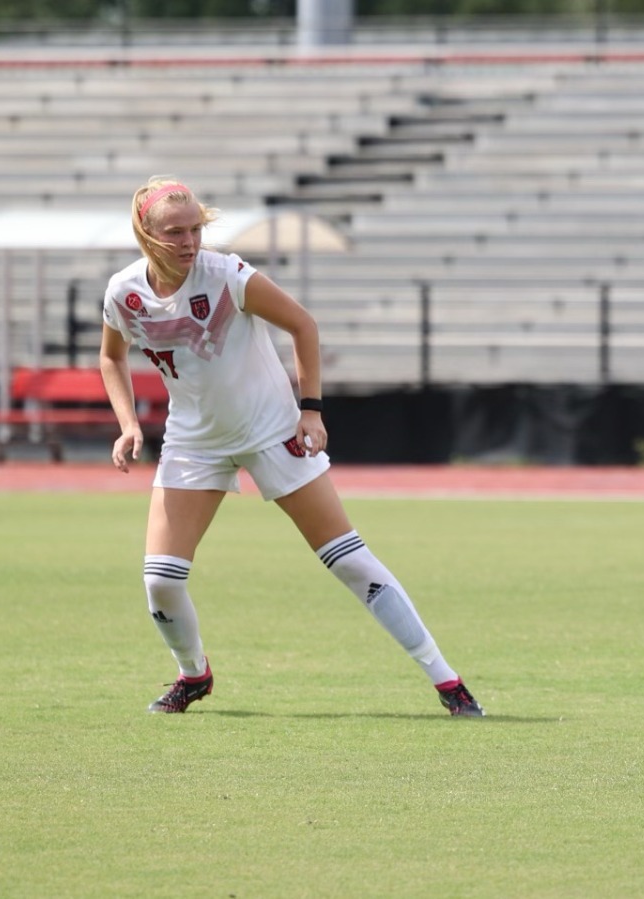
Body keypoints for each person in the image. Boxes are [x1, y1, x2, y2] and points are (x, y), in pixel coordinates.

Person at [99, 176, 483, 716]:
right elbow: (111, 357)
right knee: (160, 581)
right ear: (145, 233)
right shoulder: (124, 292)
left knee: (348, 560)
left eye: (195, 230)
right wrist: (128, 424)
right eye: (174, 233)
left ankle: (449, 683)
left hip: (271, 430)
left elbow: (303, 325)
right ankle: (193, 675)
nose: (188, 242)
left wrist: (311, 409)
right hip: (194, 441)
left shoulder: (228, 274)